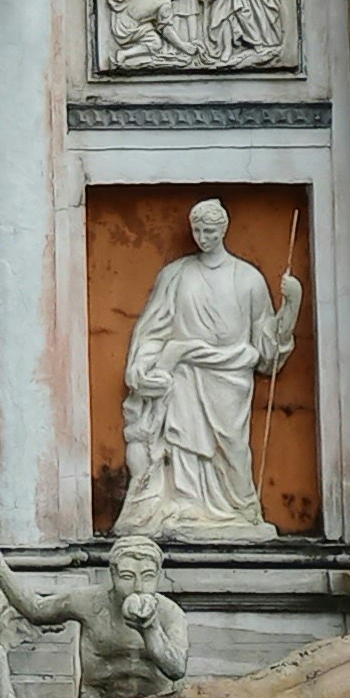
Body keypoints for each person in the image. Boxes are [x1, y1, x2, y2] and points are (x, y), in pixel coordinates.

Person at [116, 198, 301, 539]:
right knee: (184, 445)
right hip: (185, 374)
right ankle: (187, 505)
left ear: (224, 230)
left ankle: (241, 509)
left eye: (210, 231)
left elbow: (267, 345)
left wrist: (292, 305)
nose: (203, 237)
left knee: (232, 448)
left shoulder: (248, 278)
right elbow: (153, 329)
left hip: (231, 378)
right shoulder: (176, 274)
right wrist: (143, 367)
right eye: (198, 230)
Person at [0, 530, 194, 698]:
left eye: (147, 577)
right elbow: (37, 609)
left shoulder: (170, 613)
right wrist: (1, 571)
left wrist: (151, 628)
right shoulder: (88, 602)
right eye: (127, 577)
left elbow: (176, 670)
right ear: (113, 574)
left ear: (158, 576)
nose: (138, 587)